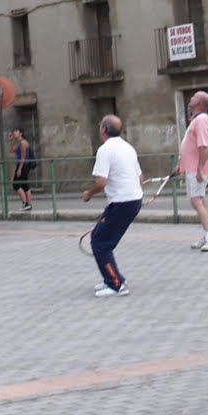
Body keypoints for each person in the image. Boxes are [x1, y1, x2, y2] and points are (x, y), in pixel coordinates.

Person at [81, 115, 144, 296]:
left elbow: (101, 182)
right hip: (131, 201)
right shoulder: (128, 148)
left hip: (122, 202)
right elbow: (140, 178)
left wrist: (88, 194)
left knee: (100, 243)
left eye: (100, 124)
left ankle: (115, 284)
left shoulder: (105, 150)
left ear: (103, 130)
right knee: (100, 239)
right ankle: (114, 277)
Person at [172, 91, 208, 251]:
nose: (190, 98)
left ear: (198, 102)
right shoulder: (197, 119)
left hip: (197, 169)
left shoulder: (201, 120)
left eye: (194, 97)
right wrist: (181, 163)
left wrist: (199, 169)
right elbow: (190, 146)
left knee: (196, 201)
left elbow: (204, 146)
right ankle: (207, 236)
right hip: (192, 167)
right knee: (200, 201)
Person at [9, 127, 34, 210]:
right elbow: (11, 150)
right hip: (22, 165)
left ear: (21, 133)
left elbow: (23, 156)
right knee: (25, 184)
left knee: (15, 184)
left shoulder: (23, 143)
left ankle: (25, 203)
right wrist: (11, 140)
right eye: (14, 131)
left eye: (16, 131)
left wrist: (19, 168)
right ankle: (28, 204)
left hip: (23, 165)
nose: (14, 132)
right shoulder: (18, 143)